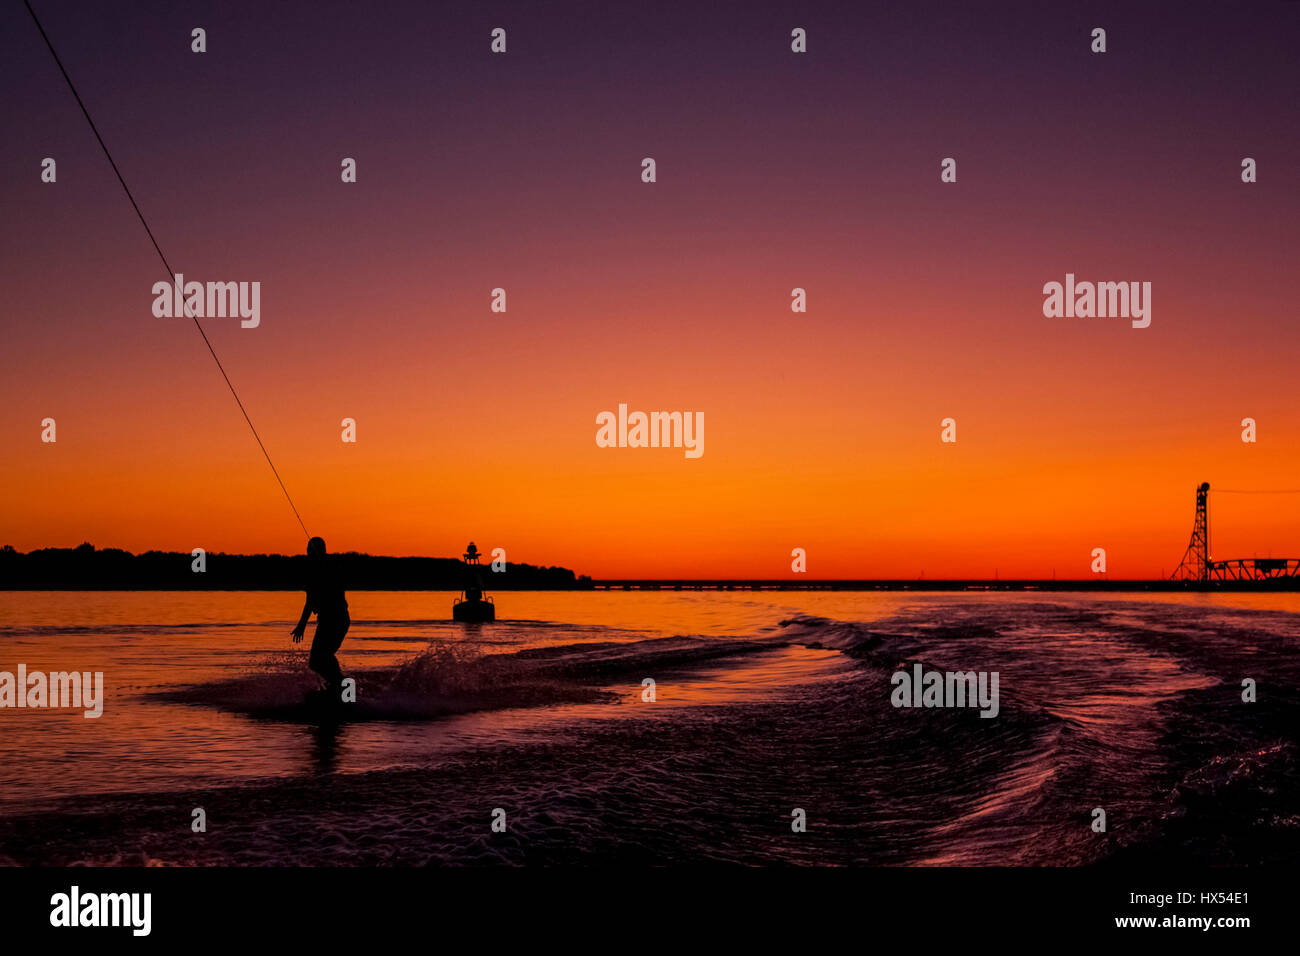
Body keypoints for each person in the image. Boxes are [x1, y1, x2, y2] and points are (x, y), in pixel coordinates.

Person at [291, 537, 349, 696]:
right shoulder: (320, 569)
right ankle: (339, 688)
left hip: (335, 620)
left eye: (310, 550)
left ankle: (345, 689)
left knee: (318, 660)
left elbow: (310, 603)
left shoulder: (329, 568)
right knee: (321, 659)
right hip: (332, 621)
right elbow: (310, 602)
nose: (308, 553)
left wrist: (301, 625)